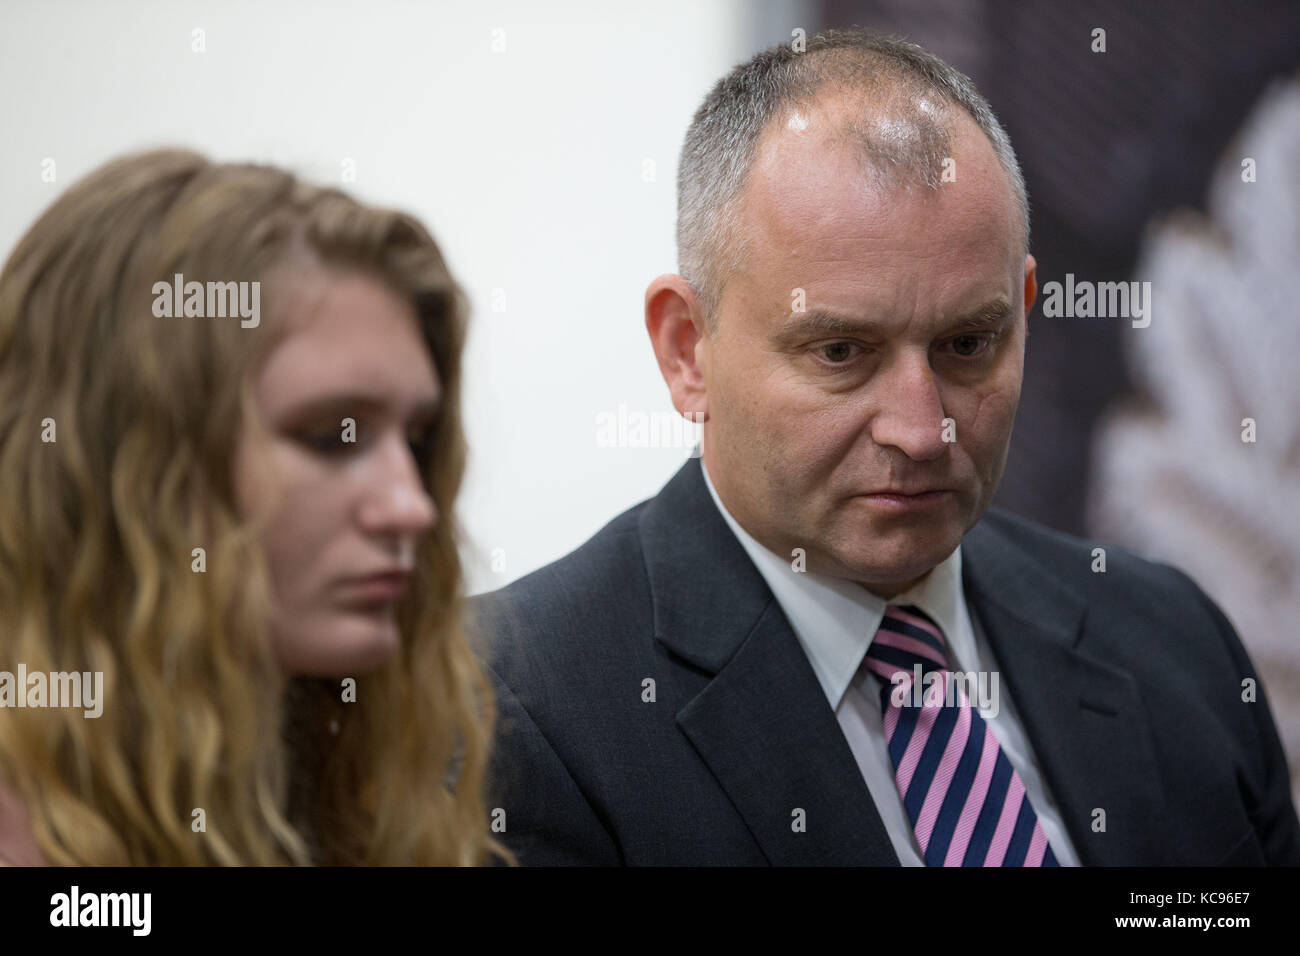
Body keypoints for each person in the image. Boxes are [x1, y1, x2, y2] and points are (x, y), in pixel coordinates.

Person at [477, 30, 1300, 865]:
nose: (920, 429)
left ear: (1021, 308)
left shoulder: (1175, 645)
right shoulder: (511, 709)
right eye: (841, 353)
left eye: (968, 345)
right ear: (687, 348)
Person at [0, 149, 506, 865]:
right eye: (332, 436)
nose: (411, 507)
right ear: (125, 463)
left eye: (419, 442)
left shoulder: (333, 800)